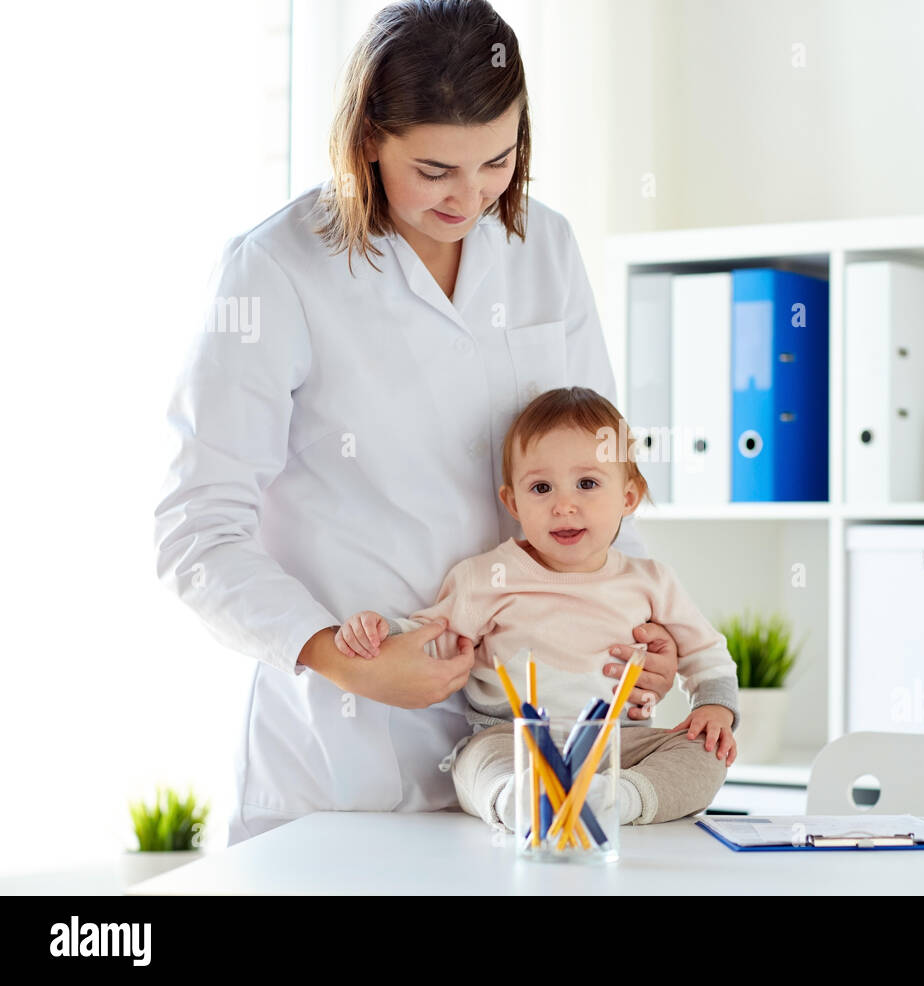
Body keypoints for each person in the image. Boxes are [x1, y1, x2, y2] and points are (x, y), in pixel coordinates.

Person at [152, 0, 683, 847]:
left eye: (498, 161)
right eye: (435, 169)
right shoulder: (275, 269)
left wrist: (647, 629)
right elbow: (196, 530)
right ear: (367, 138)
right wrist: (336, 653)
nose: (470, 196)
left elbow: (600, 471)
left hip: (538, 737)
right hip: (347, 753)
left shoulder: (546, 247)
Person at [334, 387, 738, 831]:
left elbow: (706, 652)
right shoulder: (486, 576)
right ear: (513, 503)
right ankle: (520, 803)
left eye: (587, 484)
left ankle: (621, 800)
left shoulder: (651, 580)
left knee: (705, 755)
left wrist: (715, 707)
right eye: (541, 488)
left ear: (629, 496)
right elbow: (432, 635)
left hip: (621, 742)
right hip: (515, 739)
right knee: (478, 763)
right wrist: (381, 630)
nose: (564, 505)